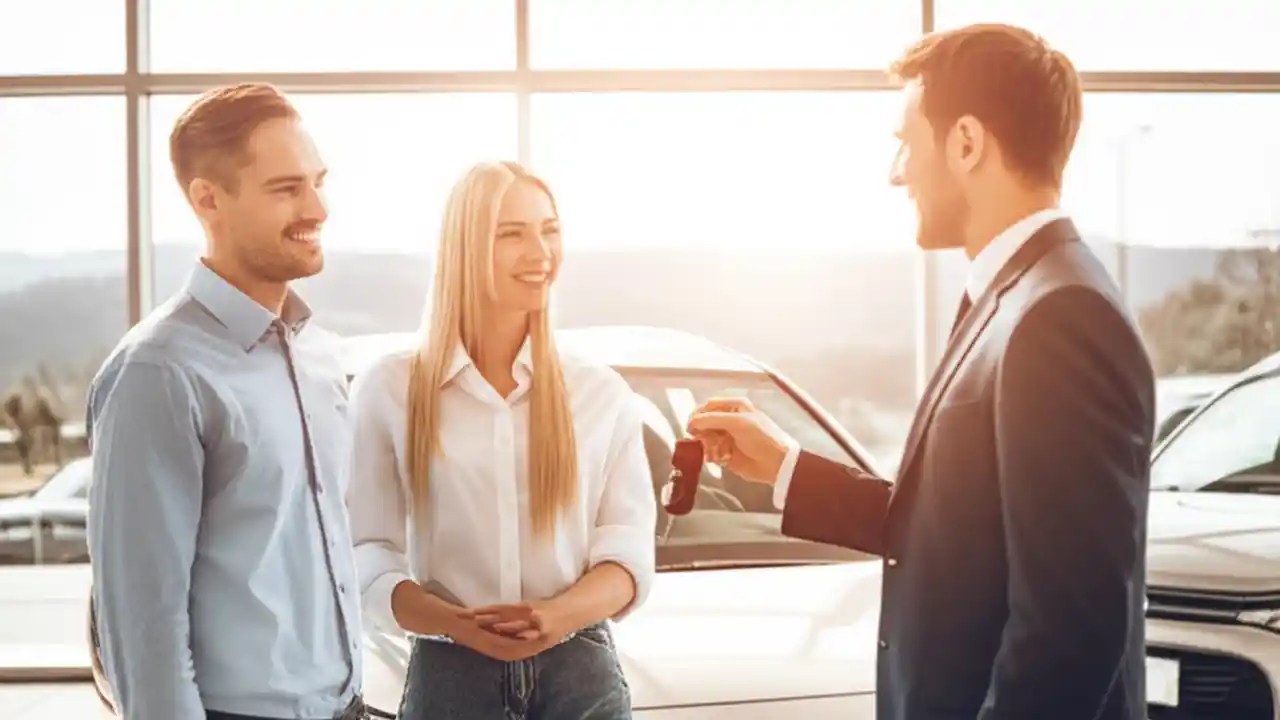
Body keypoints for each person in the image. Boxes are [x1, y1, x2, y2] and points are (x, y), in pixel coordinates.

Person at [688, 24, 1156, 720]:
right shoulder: (1017, 295)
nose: (896, 172)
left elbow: (1071, 633)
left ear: (966, 142)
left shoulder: (1061, 316)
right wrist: (786, 466)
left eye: (907, 141)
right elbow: (954, 532)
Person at [87, 83, 369, 720]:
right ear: (207, 199)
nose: (317, 207)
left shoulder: (320, 356)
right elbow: (143, 624)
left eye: (318, 181)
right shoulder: (158, 372)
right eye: (286, 188)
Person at [346, 161, 655, 719]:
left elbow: (628, 551)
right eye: (512, 233)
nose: (540, 252)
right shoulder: (390, 388)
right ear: (465, 247)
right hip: (449, 675)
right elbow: (365, 551)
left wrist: (556, 616)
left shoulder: (599, 392)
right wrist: (452, 623)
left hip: (580, 674)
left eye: (549, 229)